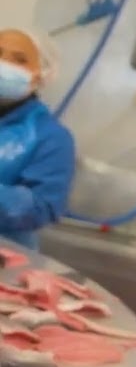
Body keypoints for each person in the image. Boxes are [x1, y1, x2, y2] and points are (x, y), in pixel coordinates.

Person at [0, 28, 75, 249]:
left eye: (20, 60)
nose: (4, 65)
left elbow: (43, 207)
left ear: (40, 74)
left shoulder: (50, 137)